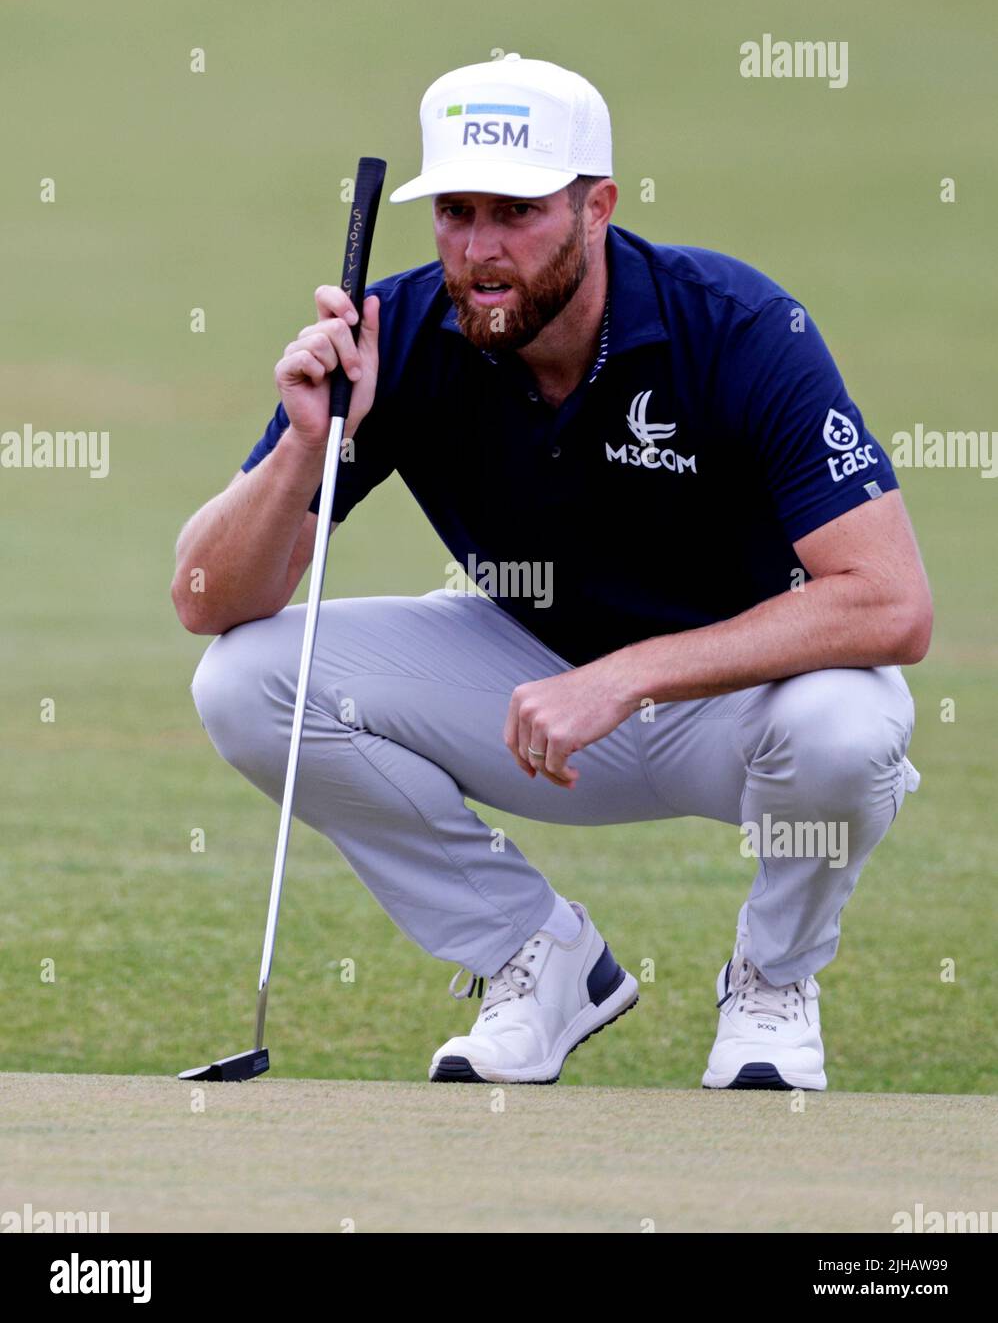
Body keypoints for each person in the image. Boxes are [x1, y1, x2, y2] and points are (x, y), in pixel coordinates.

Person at [171, 55, 932, 1090]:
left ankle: (771, 979)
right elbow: (207, 601)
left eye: (516, 214)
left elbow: (891, 603)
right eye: (455, 213)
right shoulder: (396, 338)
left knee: (848, 727)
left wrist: (624, 676)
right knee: (244, 678)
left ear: (596, 207)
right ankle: (535, 957)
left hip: (741, 709)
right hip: (529, 689)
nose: (480, 252)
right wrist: (308, 445)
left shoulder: (738, 328)